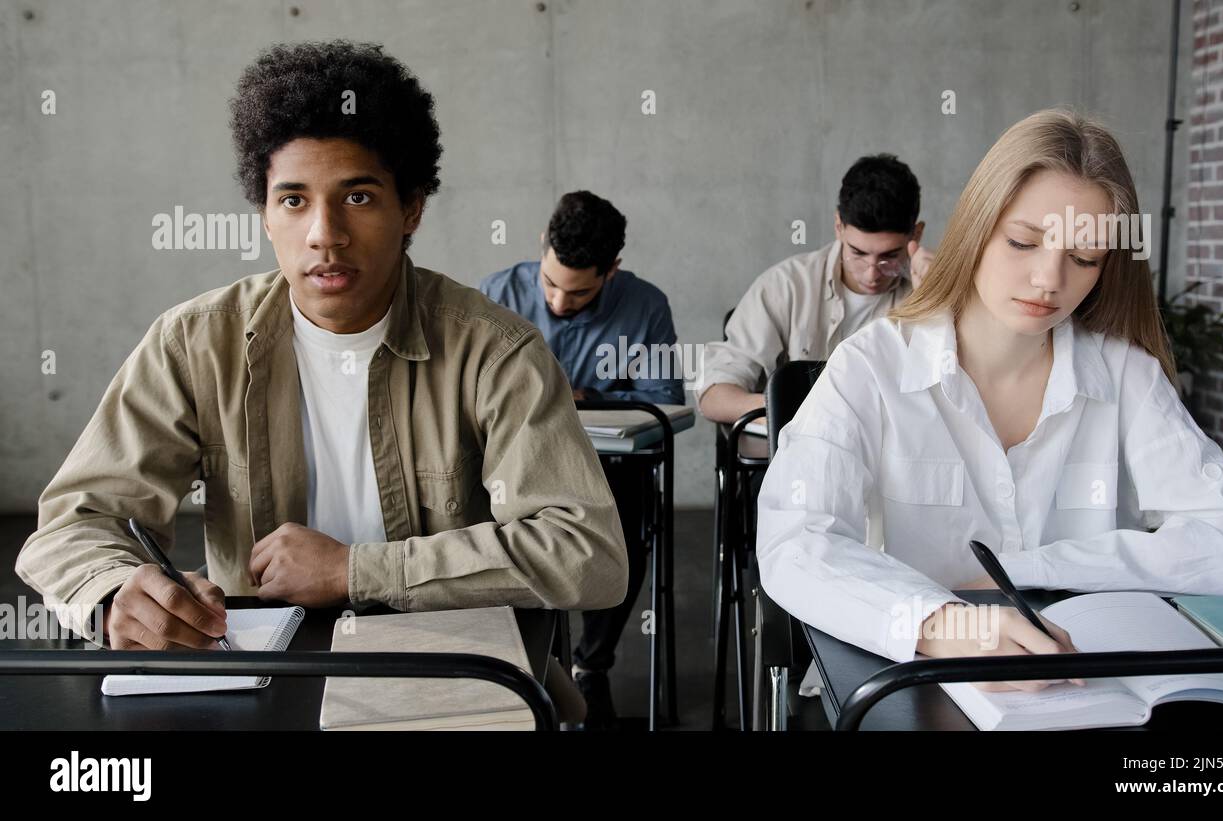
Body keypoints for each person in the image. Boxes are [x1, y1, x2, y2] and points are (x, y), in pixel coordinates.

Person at [16, 40, 628, 663]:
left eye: (357, 197)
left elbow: (588, 554)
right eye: (293, 200)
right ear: (264, 213)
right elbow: (74, 523)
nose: (324, 234)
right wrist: (117, 591)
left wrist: (355, 571)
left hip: (446, 667)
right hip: (258, 671)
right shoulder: (194, 343)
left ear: (411, 207)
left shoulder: (494, 351)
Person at [755, 109, 1223, 693]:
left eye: (1083, 258)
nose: (1047, 280)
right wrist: (939, 621)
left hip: (1095, 687)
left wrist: (1031, 571)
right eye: (1022, 242)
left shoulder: (1127, 373)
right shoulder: (872, 366)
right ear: (978, 228)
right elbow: (795, 540)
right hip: (923, 680)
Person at [481, 190, 683, 729]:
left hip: (611, 469)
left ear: (613, 270)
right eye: (549, 283)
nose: (559, 302)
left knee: (628, 524)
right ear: (542, 246)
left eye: (579, 292)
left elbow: (663, 398)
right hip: (509, 465)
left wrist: (583, 399)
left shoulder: (646, 306)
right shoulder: (496, 294)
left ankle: (590, 662)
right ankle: (529, 657)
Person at [697, 154, 933, 424]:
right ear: (838, 227)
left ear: (916, 236)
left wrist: (937, 308)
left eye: (889, 256)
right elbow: (714, 395)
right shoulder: (787, 285)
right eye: (858, 253)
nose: (872, 272)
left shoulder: (933, 294)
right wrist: (795, 411)